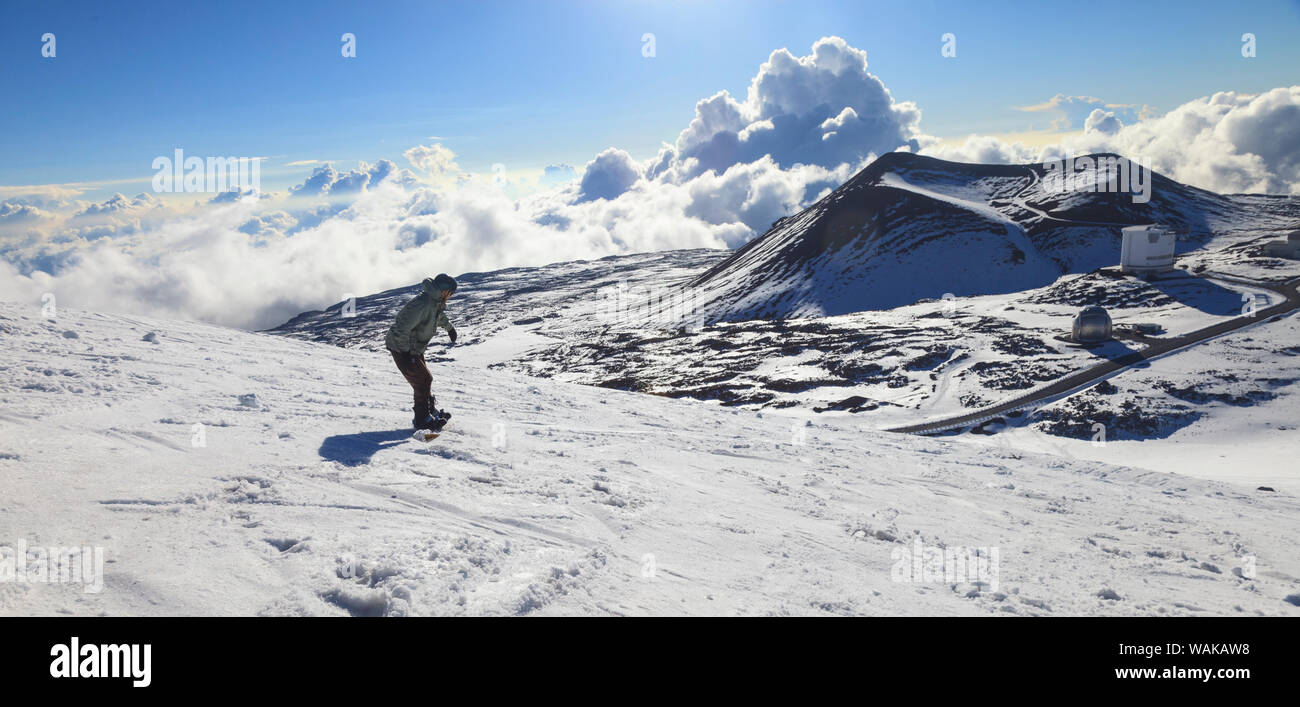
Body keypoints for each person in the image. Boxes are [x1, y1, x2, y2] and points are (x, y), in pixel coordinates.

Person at [385, 273, 458, 430]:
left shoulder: (433, 303)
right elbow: (401, 327)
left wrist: (450, 328)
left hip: (413, 348)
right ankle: (421, 420)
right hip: (401, 347)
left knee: (424, 380)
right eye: (451, 293)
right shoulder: (424, 303)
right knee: (423, 380)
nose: (451, 297)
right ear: (445, 291)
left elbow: (438, 317)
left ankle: (429, 411)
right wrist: (405, 353)